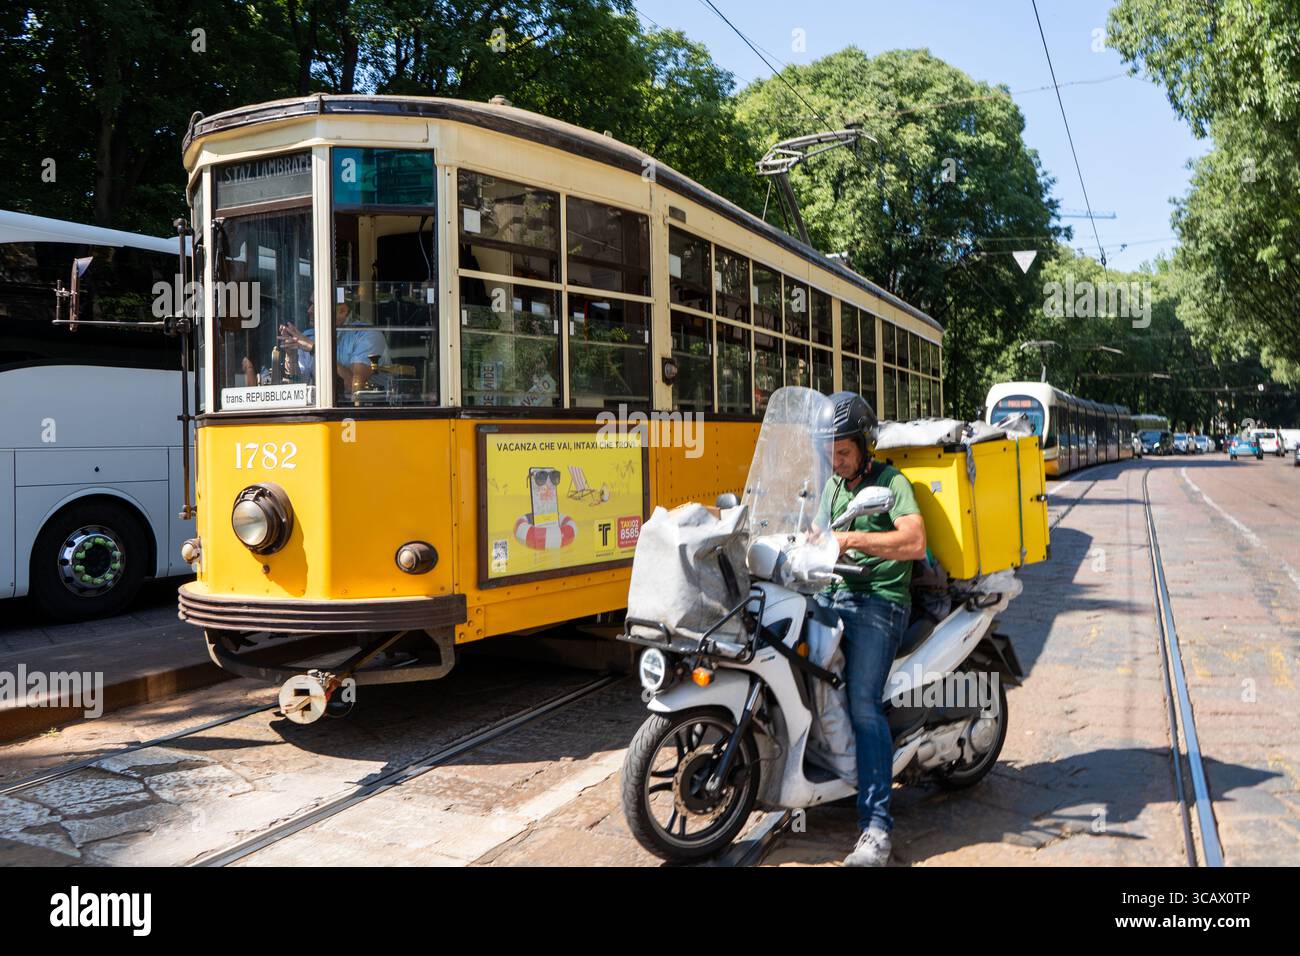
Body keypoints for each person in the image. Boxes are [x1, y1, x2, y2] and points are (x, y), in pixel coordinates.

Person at [815, 391, 927, 867]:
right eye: (830, 451)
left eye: (843, 451)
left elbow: (915, 541)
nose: (835, 460)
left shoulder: (891, 481)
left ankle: (876, 827)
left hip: (879, 602)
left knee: (863, 703)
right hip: (832, 594)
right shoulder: (833, 486)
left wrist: (855, 539)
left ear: (864, 446)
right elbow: (818, 536)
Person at [278, 296, 390, 397]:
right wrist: (291, 355)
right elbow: (298, 389)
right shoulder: (309, 337)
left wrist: (315, 349)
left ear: (342, 311)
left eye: (316, 305)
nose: (309, 310)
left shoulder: (367, 335)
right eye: (310, 305)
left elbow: (354, 387)